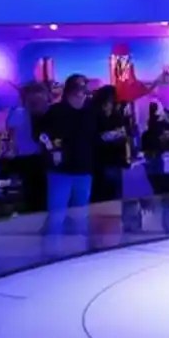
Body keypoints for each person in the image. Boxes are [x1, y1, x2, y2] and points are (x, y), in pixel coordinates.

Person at [37, 76, 101, 234]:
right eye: (80, 86)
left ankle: (78, 250)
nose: (83, 90)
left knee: (81, 215)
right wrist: (51, 149)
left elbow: (95, 138)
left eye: (84, 86)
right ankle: (53, 253)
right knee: (56, 215)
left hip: (84, 169)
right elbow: (40, 135)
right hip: (60, 170)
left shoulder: (91, 112)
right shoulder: (55, 112)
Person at [6, 82, 50, 213]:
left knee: (32, 193)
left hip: (26, 158)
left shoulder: (17, 113)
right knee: (39, 193)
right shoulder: (43, 112)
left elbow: (11, 137)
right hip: (36, 158)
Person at [90, 85, 129, 203]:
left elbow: (124, 135)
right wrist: (108, 135)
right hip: (100, 161)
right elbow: (92, 138)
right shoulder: (94, 115)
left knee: (116, 194)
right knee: (104, 195)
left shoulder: (116, 116)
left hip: (116, 159)